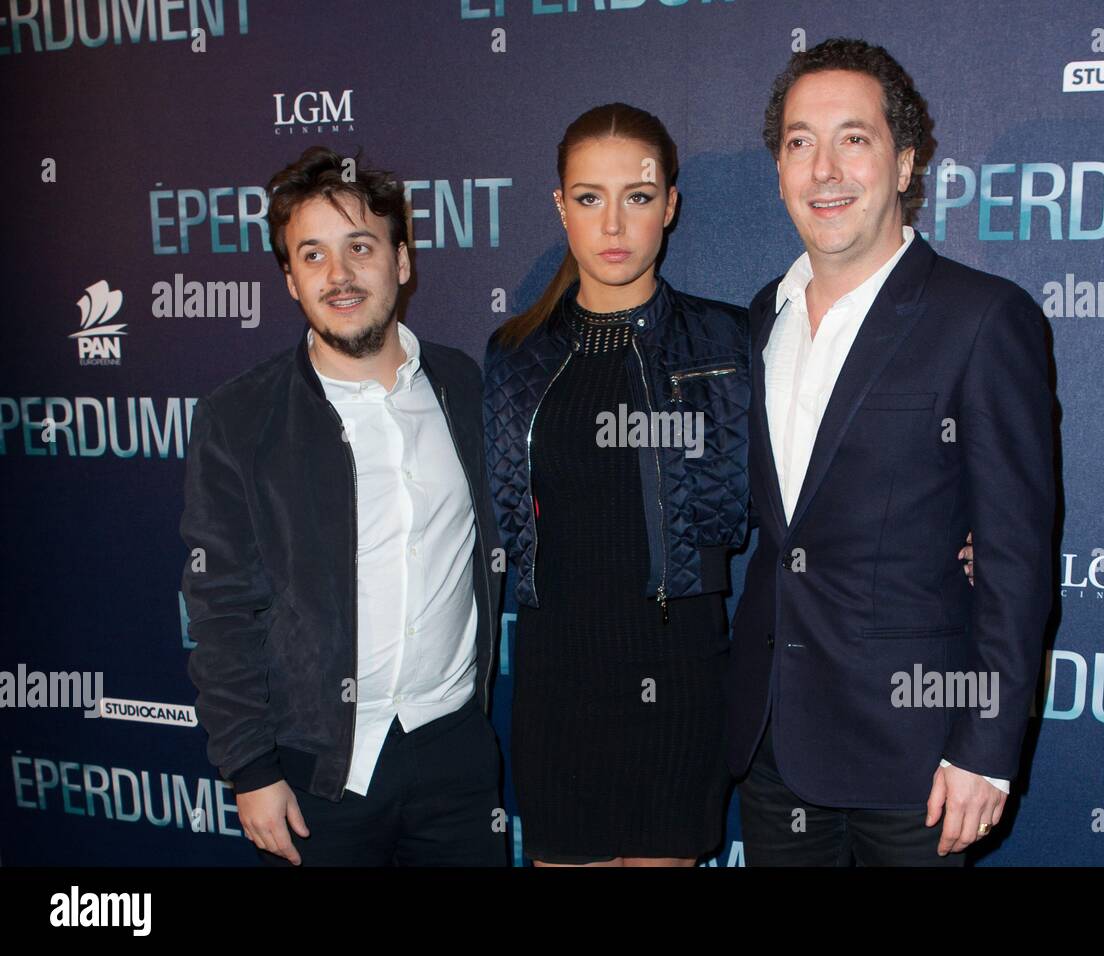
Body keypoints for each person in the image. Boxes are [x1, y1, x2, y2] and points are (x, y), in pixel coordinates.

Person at [726, 38, 1055, 866]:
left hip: (919, 758)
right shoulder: (761, 316)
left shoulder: (982, 319)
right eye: (800, 142)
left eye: (855, 138)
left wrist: (986, 747)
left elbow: (1015, 561)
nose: (824, 168)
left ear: (905, 164)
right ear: (779, 169)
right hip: (773, 743)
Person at [181, 146, 507, 866]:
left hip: (453, 751)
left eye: (360, 246)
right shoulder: (241, 418)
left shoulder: (463, 386)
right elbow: (221, 608)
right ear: (291, 280)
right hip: (314, 771)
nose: (339, 276)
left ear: (402, 259)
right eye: (313, 255)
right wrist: (252, 770)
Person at [483, 103, 750, 867]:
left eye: (636, 196)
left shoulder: (728, 342)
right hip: (558, 679)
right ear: (560, 207)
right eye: (589, 197)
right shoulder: (514, 356)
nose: (613, 224)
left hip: (680, 674)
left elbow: (801, 479)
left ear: (668, 206)